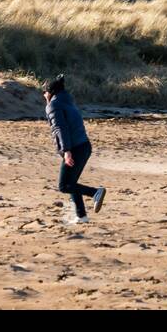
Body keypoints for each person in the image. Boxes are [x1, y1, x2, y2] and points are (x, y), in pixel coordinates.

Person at [43, 75, 105, 224]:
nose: (44, 94)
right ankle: (81, 216)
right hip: (83, 146)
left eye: (45, 92)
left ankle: (96, 192)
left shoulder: (54, 105)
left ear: (51, 91)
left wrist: (66, 151)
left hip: (75, 148)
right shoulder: (67, 101)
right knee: (72, 183)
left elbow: (60, 129)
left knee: (65, 185)